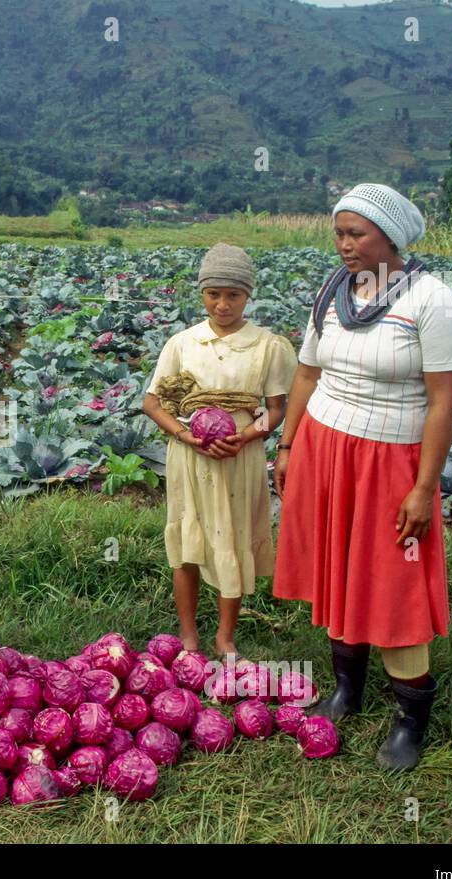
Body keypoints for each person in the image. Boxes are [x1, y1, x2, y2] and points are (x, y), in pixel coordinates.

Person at [273, 184, 452, 771]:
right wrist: (287, 444)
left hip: (392, 462)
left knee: (394, 580)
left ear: (393, 238)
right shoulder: (334, 292)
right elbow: (307, 374)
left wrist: (423, 487)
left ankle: (411, 720)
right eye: (339, 233)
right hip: (324, 449)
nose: (344, 245)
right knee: (338, 567)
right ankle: (347, 691)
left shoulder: (434, 302)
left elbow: (442, 405)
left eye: (356, 234)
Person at [143, 243, 296, 661]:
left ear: (248, 296)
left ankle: (225, 638)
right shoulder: (183, 343)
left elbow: (278, 409)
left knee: (232, 538)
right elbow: (153, 402)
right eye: (213, 294)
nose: (222, 304)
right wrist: (184, 434)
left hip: (238, 459)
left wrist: (247, 436)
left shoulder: (268, 346)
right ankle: (188, 636)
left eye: (233, 295)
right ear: (201, 294)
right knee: (187, 542)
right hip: (189, 457)